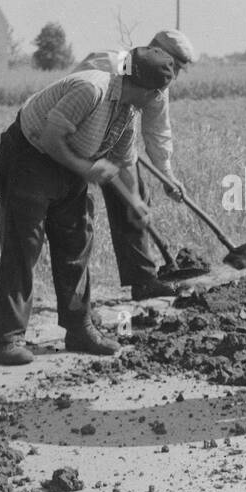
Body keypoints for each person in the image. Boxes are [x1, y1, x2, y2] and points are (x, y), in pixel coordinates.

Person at [0, 46, 177, 366]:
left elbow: (122, 162)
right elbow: (50, 139)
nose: (159, 100)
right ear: (146, 88)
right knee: (25, 245)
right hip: (30, 155)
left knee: (77, 242)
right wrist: (86, 169)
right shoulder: (91, 89)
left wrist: (134, 204)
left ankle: (79, 328)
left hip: (70, 162)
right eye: (158, 93)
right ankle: (5, 339)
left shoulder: (127, 111)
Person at [70, 29, 196, 300]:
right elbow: (73, 101)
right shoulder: (107, 64)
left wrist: (167, 175)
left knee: (136, 199)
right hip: (76, 137)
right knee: (75, 215)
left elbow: (157, 131)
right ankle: (75, 301)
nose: (175, 76)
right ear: (157, 53)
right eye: (175, 66)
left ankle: (143, 279)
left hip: (117, 142)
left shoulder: (159, 83)